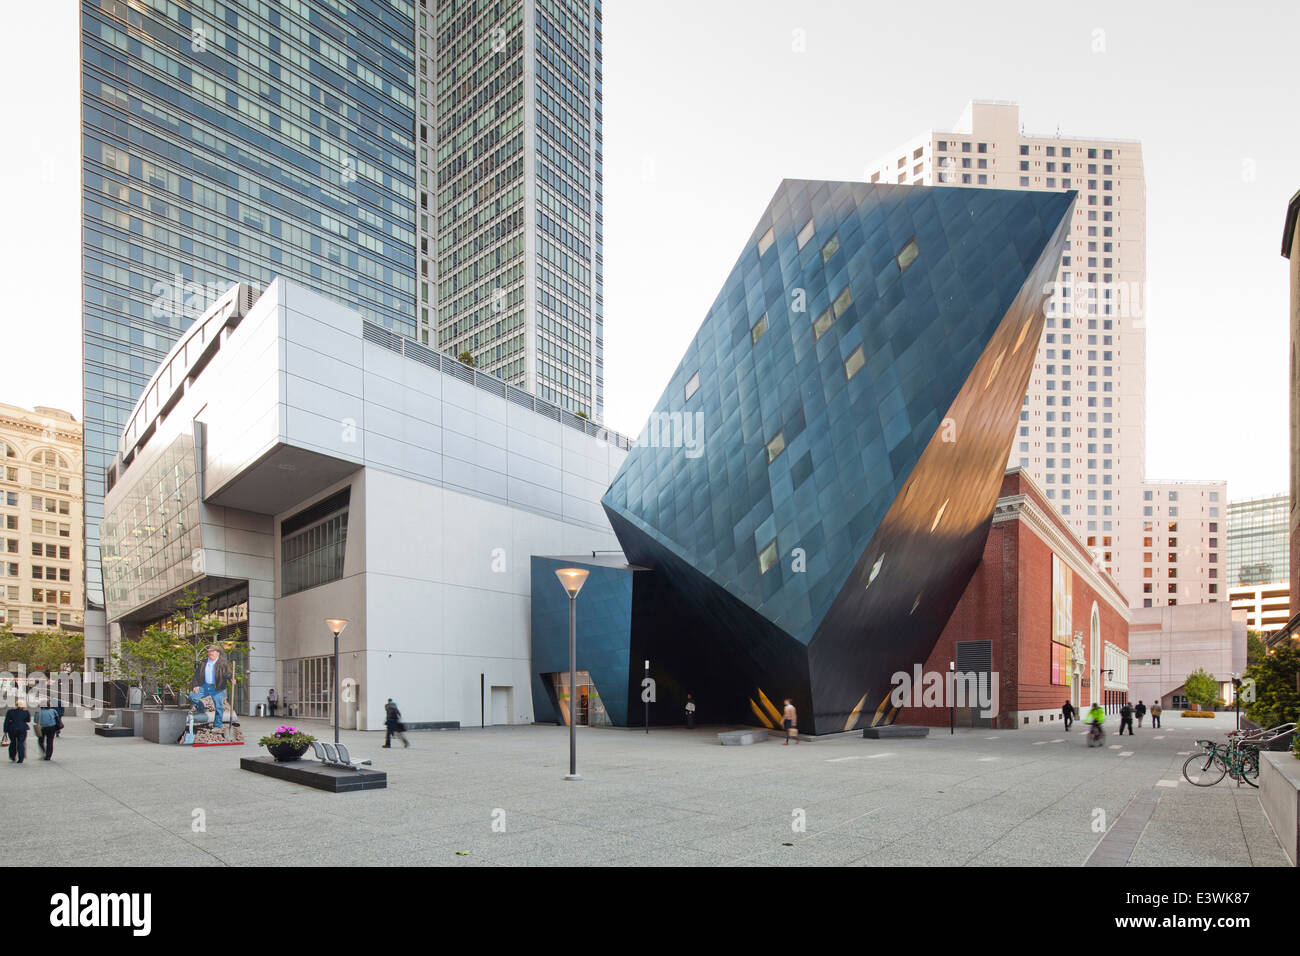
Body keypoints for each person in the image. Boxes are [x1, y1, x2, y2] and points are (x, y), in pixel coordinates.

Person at [188, 645, 233, 732]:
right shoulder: (204, 662)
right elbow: (196, 675)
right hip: (205, 686)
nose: (210, 653)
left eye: (212, 651)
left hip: (218, 687)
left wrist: (231, 678)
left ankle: (217, 726)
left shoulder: (223, 663)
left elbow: (228, 674)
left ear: (218, 653)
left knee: (219, 707)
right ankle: (201, 708)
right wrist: (195, 685)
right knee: (192, 697)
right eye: (209, 651)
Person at [4, 700, 31, 764]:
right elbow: (28, 720)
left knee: (13, 742)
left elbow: (6, 721)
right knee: (21, 742)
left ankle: (12, 756)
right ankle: (21, 758)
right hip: (22, 729)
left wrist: (5, 730)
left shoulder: (10, 711)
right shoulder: (26, 712)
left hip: (12, 729)